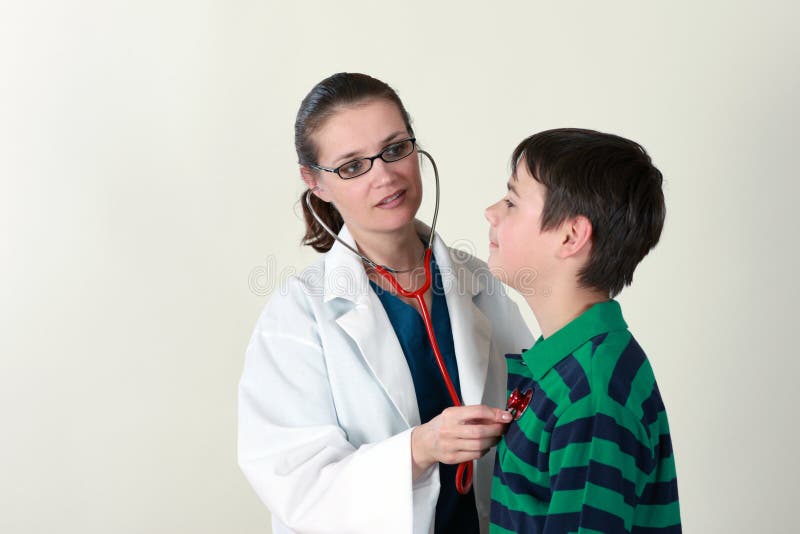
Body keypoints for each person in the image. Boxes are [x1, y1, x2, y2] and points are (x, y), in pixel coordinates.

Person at [238, 72, 534, 534]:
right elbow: (296, 485)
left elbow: (532, 412)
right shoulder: (297, 317)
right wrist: (419, 448)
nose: (386, 175)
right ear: (315, 182)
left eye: (396, 149)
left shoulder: (479, 280)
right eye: (353, 167)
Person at [485, 128, 681, 533]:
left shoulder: (591, 394)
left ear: (571, 236)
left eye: (511, 201)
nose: (492, 212)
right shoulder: (567, 366)